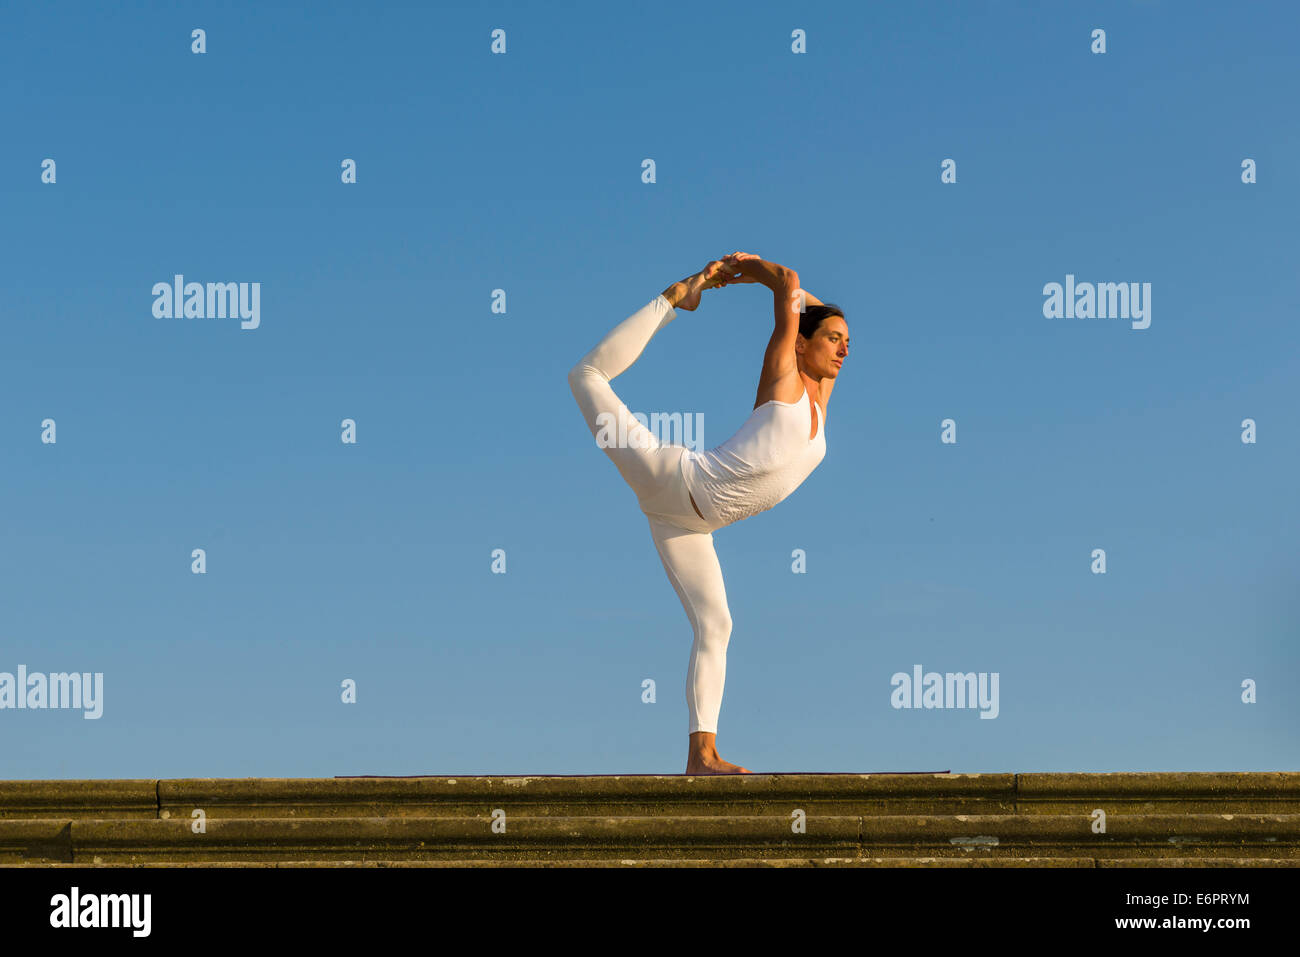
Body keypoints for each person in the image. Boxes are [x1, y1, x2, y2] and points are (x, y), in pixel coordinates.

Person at [567, 252, 849, 774]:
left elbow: (810, 304)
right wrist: (746, 272)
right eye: (833, 339)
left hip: (689, 525)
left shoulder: (820, 402)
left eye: (847, 342)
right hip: (669, 476)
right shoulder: (783, 377)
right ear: (801, 343)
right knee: (586, 376)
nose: (844, 349)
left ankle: (702, 755)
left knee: (717, 624)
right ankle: (672, 298)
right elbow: (789, 283)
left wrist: (817, 311)